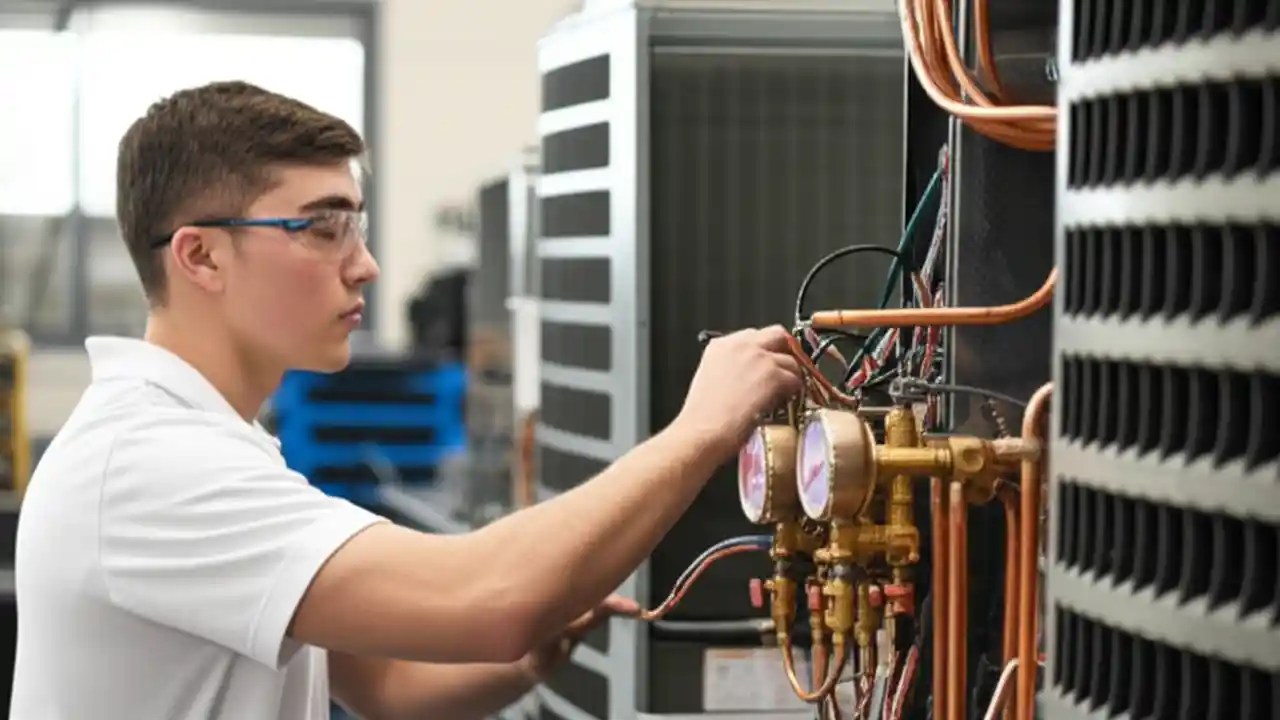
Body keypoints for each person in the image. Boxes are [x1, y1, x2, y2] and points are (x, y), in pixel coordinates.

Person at [11, 81, 804, 720]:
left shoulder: (214, 441)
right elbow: (489, 597)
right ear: (201, 256)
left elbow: (390, 688)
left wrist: (532, 655)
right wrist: (703, 426)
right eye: (322, 229)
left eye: (356, 227)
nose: (366, 266)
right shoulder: (152, 464)